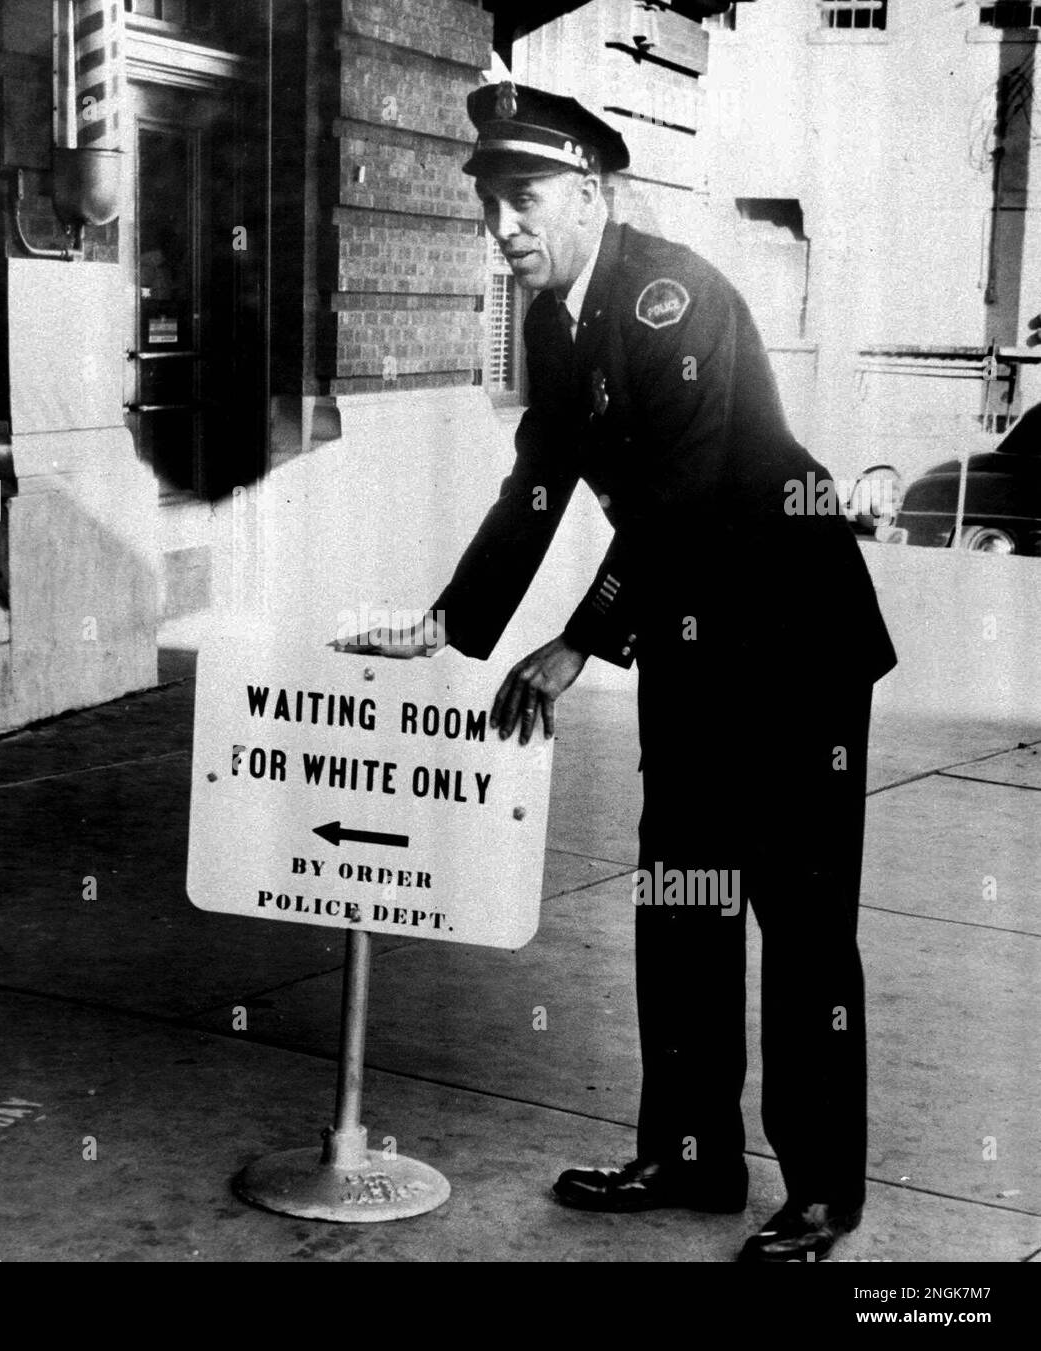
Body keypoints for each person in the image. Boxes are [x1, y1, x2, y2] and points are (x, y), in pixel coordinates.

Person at [352, 81, 897, 1262]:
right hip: (691, 637)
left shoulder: (672, 298)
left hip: (793, 639)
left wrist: (576, 641)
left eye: (525, 198)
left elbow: (685, 499)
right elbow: (539, 484)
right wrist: (451, 623)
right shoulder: (554, 323)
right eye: (491, 203)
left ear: (590, 193)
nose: (504, 226)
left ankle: (821, 1193)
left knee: (800, 925)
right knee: (683, 901)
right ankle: (692, 1156)